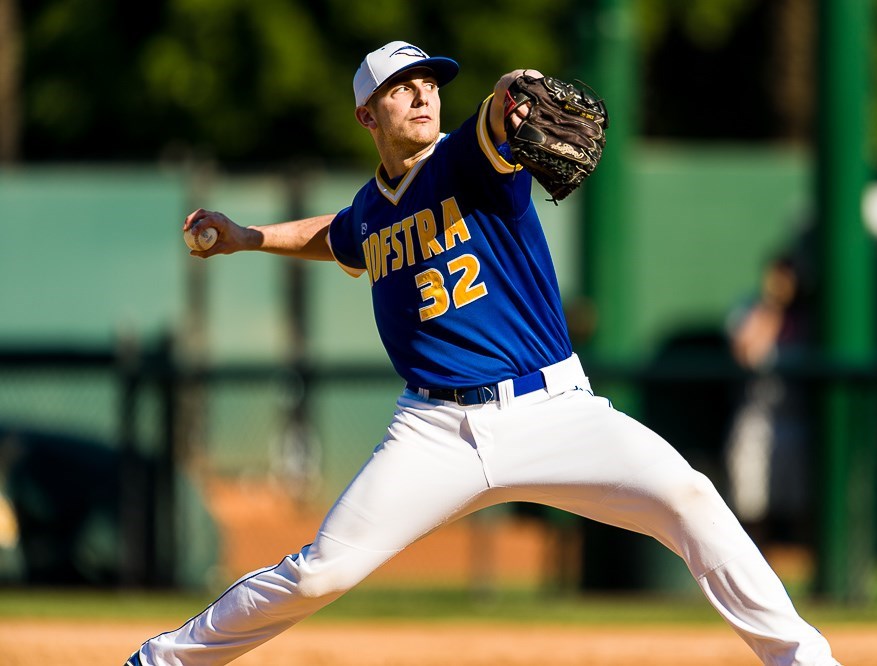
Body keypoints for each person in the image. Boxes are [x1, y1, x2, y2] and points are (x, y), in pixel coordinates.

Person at [125, 41, 840, 665]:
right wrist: (248, 235)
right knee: (320, 574)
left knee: (690, 497)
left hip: (554, 412)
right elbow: (340, 236)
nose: (422, 94)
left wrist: (509, 91)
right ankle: (161, 662)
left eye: (431, 83)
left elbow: (498, 118)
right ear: (367, 117)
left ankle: (805, 661)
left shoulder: (465, 161)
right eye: (400, 88)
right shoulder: (374, 207)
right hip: (433, 432)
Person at [724, 251, 814, 547]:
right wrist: (772, 308)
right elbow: (746, 352)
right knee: (751, 502)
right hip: (756, 420)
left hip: (796, 421)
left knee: (797, 504)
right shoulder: (753, 309)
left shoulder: (809, 318)